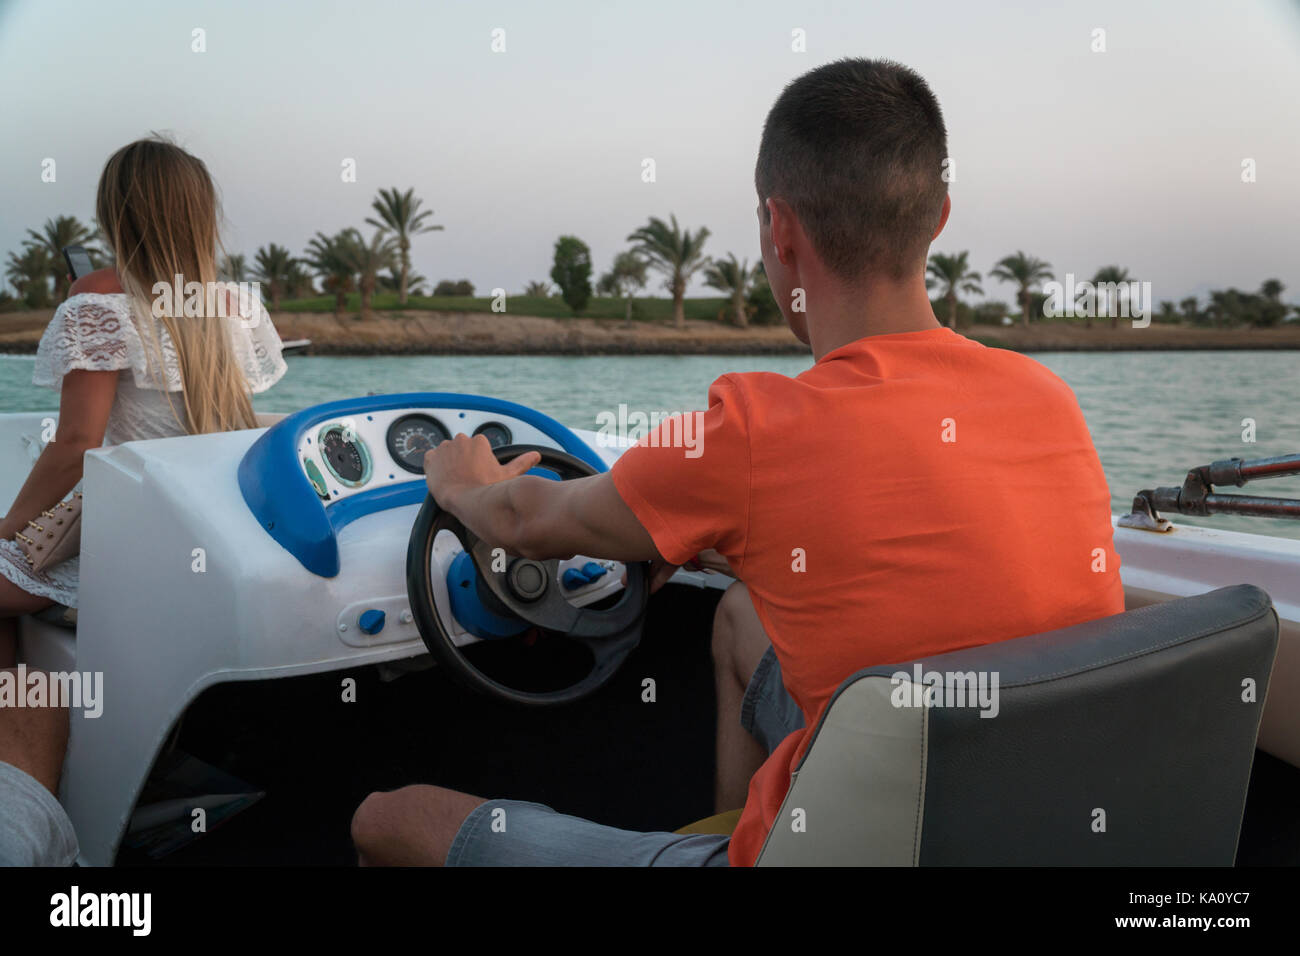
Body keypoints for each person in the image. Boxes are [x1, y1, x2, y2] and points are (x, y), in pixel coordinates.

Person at [350, 58, 1125, 866]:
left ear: (780, 231)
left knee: (388, 818)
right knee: (738, 614)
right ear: (938, 219)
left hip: (866, 842)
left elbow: (528, 523)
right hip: (1020, 826)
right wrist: (699, 540)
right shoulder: (1047, 398)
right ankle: (733, 832)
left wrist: (457, 481)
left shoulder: (755, 430)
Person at [0, 137, 287, 666]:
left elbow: (76, 445)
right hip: (212, 529)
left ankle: (18, 734)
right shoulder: (236, 304)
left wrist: (7, 529)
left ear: (115, 212)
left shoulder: (98, 296)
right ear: (202, 215)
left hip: (129, 536)